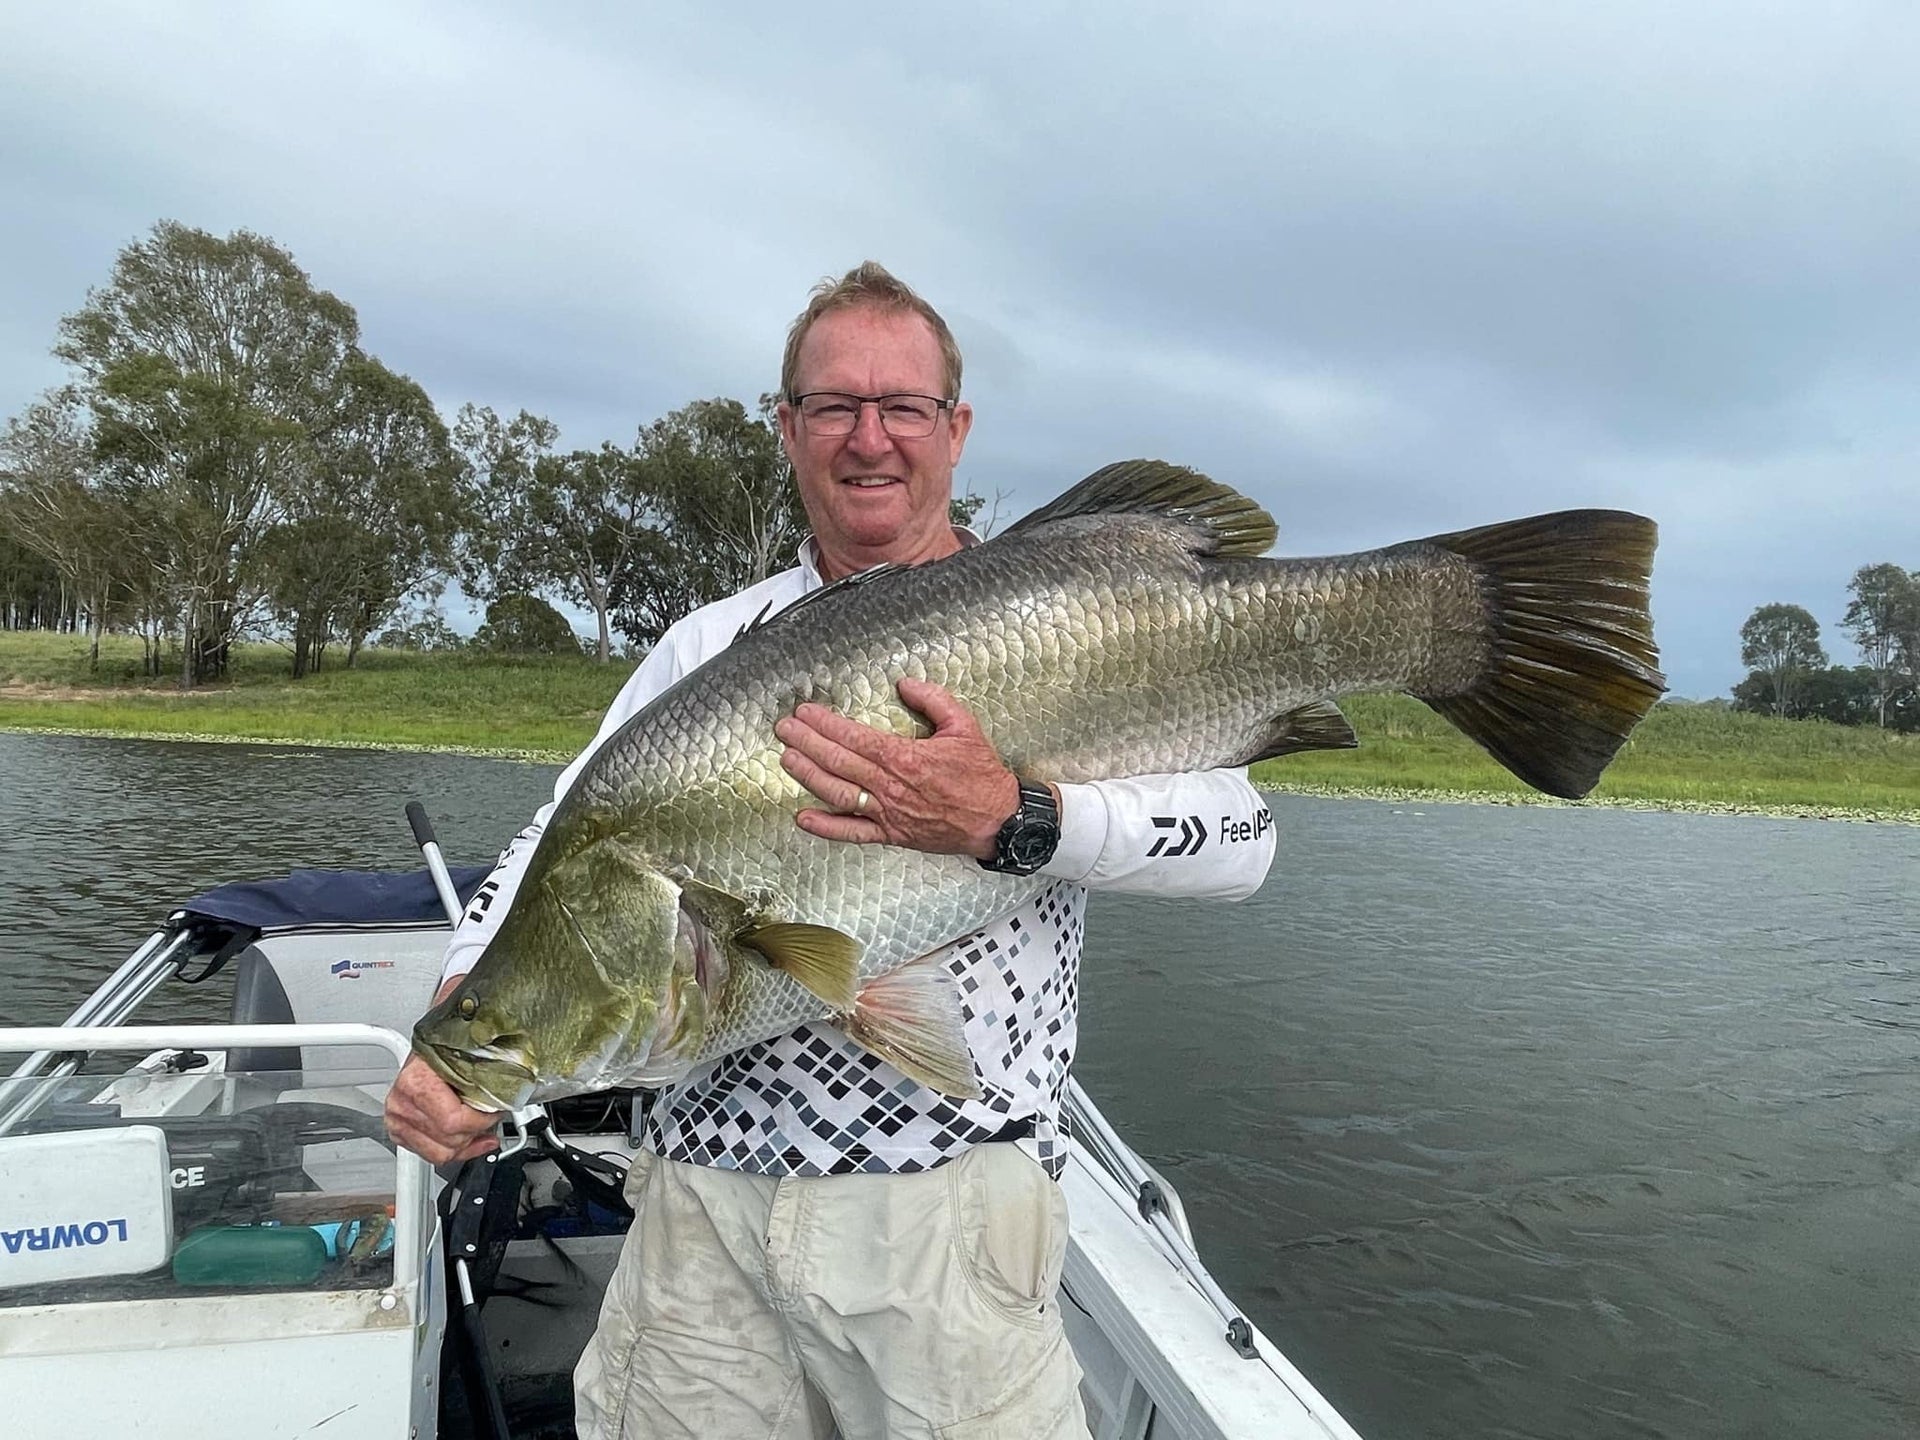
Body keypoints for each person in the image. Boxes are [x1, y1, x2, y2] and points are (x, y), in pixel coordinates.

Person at [385, 262, 1278, 1439]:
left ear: (956, 428)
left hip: (948, 1222)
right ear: (787, 427)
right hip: (704, 1211)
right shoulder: (708, 645)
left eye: (904, 406)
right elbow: (553, 843)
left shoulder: (1084, 614)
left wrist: (1018, 816)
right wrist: (461, 1030)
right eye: (833, 407)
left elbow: (1243, 846)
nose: (871, 438)